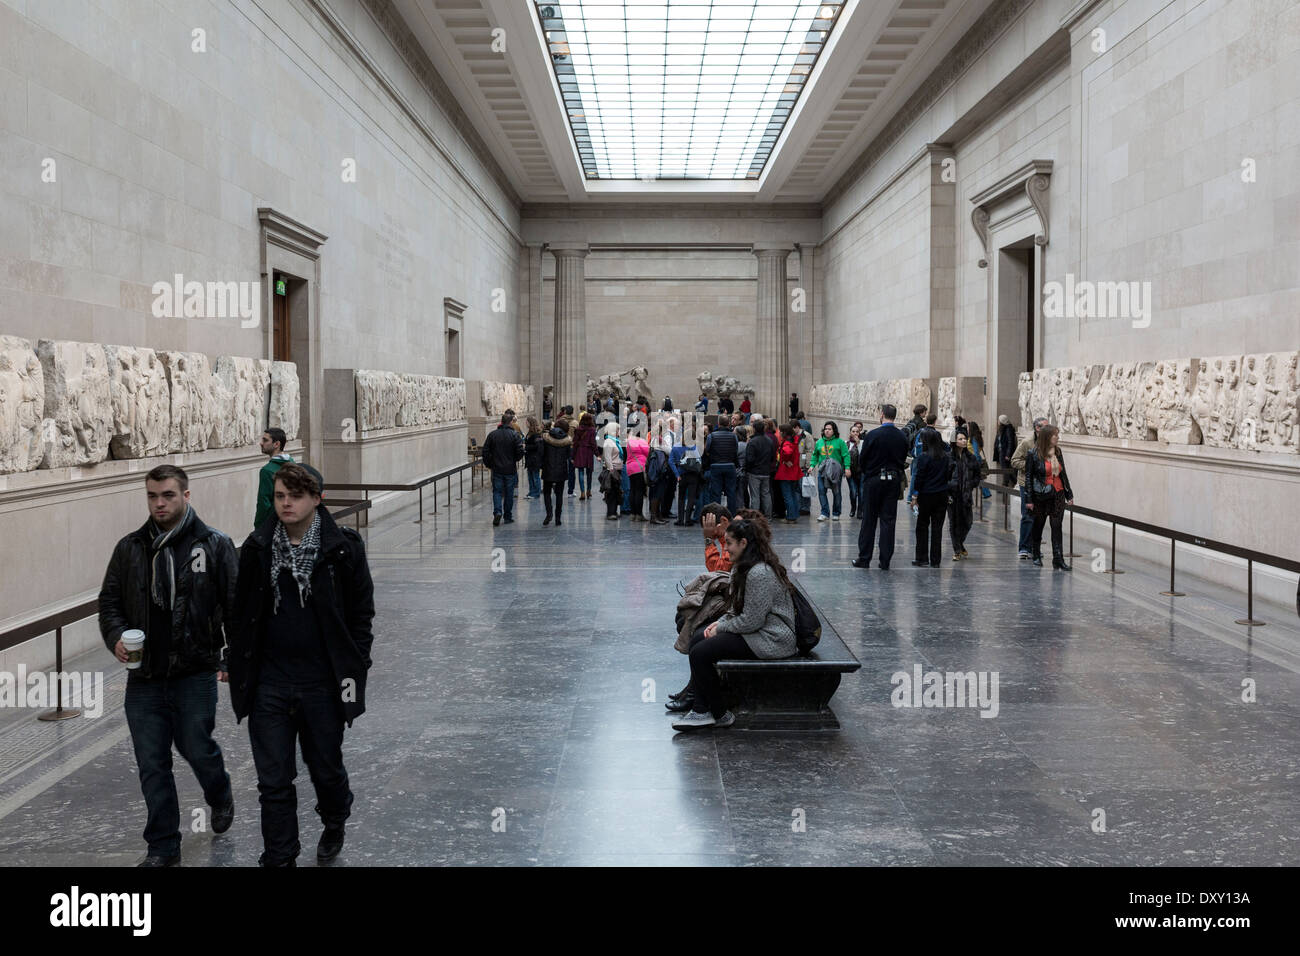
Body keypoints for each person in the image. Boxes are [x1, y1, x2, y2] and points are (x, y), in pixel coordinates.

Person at [228, 463, 375, 867]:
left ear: (316, 498)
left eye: (294, 495)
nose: (286, 503)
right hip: (270, 683)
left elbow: (361, 614)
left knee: (324, 768)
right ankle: (280, 856)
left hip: (322, 683)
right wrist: (234, 660)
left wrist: (356, 663)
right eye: (279, 496)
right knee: (273, 780)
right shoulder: (258, 548)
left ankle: (335, 815)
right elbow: (241, 614)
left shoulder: (343, 548)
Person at [98, 464, 237, 867]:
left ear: (186, 496)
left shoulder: (214, 545)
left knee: (196, 747)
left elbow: (234, 606)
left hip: (194, 671)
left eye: (168, 496)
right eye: (152, 496)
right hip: (144, 678)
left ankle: (219, 791)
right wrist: (117, 637)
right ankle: (163, 846)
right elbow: (109, 603)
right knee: (151, 762)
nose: (159, 504)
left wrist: (231, 656)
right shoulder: (130, 548)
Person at [672, 520, 798, 731]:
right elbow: (736, 610)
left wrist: (720, 628)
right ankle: (701, 709)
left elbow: (751, 620)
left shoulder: (760, 573)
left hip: (772, 638)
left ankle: (719, 714)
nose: (726, 547)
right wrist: (718, 623)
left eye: (729, 543)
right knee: (698, 638)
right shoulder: (742, 568)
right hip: (758, 631)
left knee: (701, 652)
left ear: (743, 543)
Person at [852, 405, 909, 570]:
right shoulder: (901, 436)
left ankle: (864, 558)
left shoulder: (873, 435)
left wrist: (869, 471)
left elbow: (863, 459)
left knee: (869, 519)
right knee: (888, 521)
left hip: (874, 479)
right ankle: (885, 560)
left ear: (882, 415)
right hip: (893, 480)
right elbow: (903, 457)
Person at [1025, 424, 1075, 569]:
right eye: (1055, 435)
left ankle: (1058, 558)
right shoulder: (1033, 453)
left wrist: (1068, 493)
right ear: (1047, 436)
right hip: (1041, 494)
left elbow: (1063, 473)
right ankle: (1035, 554)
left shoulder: (1058, 452)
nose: (1057, 437)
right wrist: (1029, 499)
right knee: (1039, 525)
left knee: (1057, 526)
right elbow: (1029, 477)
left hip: (1058, 493)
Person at [910, 430, 950, 567]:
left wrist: (915, 495)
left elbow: (919, 479)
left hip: (926, 496)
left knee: (922, 526)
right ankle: (935, 560)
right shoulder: (945, 457)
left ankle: (922, 558)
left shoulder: (923, 457)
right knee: (937, 529)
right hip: (941, 495)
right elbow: (948, 476)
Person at [1010, 417, 1050, 558]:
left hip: (1042, 485)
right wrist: (1030, 466)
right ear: (1037, 428)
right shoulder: (1027, 442)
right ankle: (1024, 548)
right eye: (1045, 427)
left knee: (1039, 516)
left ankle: (1035, 548)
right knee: (1027, 515)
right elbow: (1014, 460)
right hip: (1026, 484)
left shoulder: (1049, 443)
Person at [482, 410, 524, 526]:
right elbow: (520, 451)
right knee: (509, 493)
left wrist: (489, 464)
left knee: (497, 491)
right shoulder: (514, 435)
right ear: (510, 422)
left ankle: (497, 512)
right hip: (510, 469)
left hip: (497, 469)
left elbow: (485, 451)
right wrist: (515, 460)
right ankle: (508, 516)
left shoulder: (493, 435)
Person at [947, 431, 983, 559]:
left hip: (966, 495)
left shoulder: (971, 458)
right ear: (954, 441)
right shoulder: (949, 457)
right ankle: (957, 550)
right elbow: (944, 476)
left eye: (964, 438)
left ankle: (960, 543)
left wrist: (971, 484)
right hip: (952, 495)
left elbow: (978, 475)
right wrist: (951, 485)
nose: (963, 441)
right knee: (954, 523)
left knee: (968, 522)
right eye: (960, 439)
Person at [812, 421, 851, 521]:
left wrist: (847, 468)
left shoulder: (840, 442)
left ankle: (836, 512)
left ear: (834, 431)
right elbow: (815, 455)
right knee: (821, 491)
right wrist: (812, 465)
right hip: (822, 471)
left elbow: (846, 455)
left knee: (836, 493)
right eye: (826, 429)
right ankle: (824, 513)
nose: (827, 431)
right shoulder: (819, 442)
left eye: (829, 429)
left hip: (835, 472)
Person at [256, 428, 294, 528]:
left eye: (265, 440)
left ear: (276, 444)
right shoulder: (294, 465)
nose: (261, 443)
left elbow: (264, 504)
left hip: (272, 525)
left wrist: (258, 527)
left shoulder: (267, 471)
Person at [704, 417, 740, 510]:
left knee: (716, 492)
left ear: (718, 424)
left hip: (715, 465)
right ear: (728, 424)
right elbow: (736, 449)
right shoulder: (733, 436)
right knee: (731, 492)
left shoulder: (711, 436)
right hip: (730, 465)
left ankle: (716, 513)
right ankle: (731, 513)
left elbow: (707, 449)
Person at [743, 418, 774, 518]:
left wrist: (748, 469)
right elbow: (772, 456)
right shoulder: (769, 441)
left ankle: (754, 517)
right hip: (766, 471)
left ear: (754, 429)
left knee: (755, 496)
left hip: (755, 472)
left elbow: (749, 459)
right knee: (766, 494)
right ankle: (768, 516)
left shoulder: (752, 442)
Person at [774, 423, 802, 524]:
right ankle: (794, 515)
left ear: (783, 432)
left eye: (780, 431)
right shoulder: (794, 440)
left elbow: (787, 452)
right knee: (793, 494)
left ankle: (790, 517)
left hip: (786, 472)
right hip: (794, 472)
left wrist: (785, 460)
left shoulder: (787, 442)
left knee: (787, 495)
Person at [672, 438, 703, 526]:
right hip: (693, 475)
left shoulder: (675, 447)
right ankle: (688, 520)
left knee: (681, 498)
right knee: (691, 497)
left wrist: (677, 474)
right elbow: (699, 460)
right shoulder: (694, 447)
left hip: (682, 475)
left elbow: (671, 461)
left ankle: (680, 520)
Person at [624, 426, 650, 521]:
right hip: (639, 467)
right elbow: (648, 453)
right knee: (639, 490)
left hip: (630, 467)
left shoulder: (629, 442)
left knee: (632, 490)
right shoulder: (642, 441)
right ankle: (639, 515)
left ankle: (633, 514)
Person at [600, 422, 625, 520]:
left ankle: (613, 511)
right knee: (610, 492)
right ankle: (610, 513)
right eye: (618, 430)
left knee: (616, 491)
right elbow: (607, 457)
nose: (619, 431)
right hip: (612, 470)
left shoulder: (615, 441)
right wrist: (611, 469)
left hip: (617, 469)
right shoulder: (608, 442)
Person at [700, 503, 734, 572]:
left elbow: (719, 571)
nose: (714, 537)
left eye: (715, 532)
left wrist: (709, 540)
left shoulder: (735, 538)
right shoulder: (730, 536)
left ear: (724, 520)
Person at [573, 412, 598, 501]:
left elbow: (575, 443)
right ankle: (589, 490)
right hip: (589, 452)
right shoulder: (592, 430)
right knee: (589, 473)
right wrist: (597, 454)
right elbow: (593, 443)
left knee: (580, 472)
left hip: (580, 451)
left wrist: (573, 456)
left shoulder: (578, 429)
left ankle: (582, 492)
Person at [968, 420, 992, 500]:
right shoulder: (977, 437)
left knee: (975, 478)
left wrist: (977, 463)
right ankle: (986, 493)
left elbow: (976, 452)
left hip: (974, 461)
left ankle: (986, 493)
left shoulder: (974, 438)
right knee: (979, 478)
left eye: (968, 427)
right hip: (974, 460)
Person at [993, 414, 1019, 488]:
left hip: (1005, 453)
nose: (997, 421)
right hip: (1002, 452)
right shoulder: (1001, 429)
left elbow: (1010, 442)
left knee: (1006, 470)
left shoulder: (1008, 429)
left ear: (1002, 421)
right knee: (1006, 469)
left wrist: (1008, 454)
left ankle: (1005, 485)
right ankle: (1011, 483)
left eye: (999, 420)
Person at [846, 422, 864, 518]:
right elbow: (845, 457)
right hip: (851, 472)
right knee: (853, 492)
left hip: (861, 472)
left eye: (857, 431)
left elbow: (863, 455)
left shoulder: (863, 443)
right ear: (850, 433)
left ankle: (860, 510)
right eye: (853, 431)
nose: (855, 433)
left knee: (861, 492)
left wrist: (858, 444)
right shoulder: (846, 443)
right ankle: (853, 508)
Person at [523, 417, 543, 499]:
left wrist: (526, 446)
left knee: (535, 476)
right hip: (530, 458)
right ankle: (531, 492)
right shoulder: (530, 433)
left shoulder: (536, 434)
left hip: (534, 458)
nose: (525, 423)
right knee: (530, 476)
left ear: (530, 423)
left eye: (527, 422)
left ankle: (536, 492)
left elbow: (537, 446)